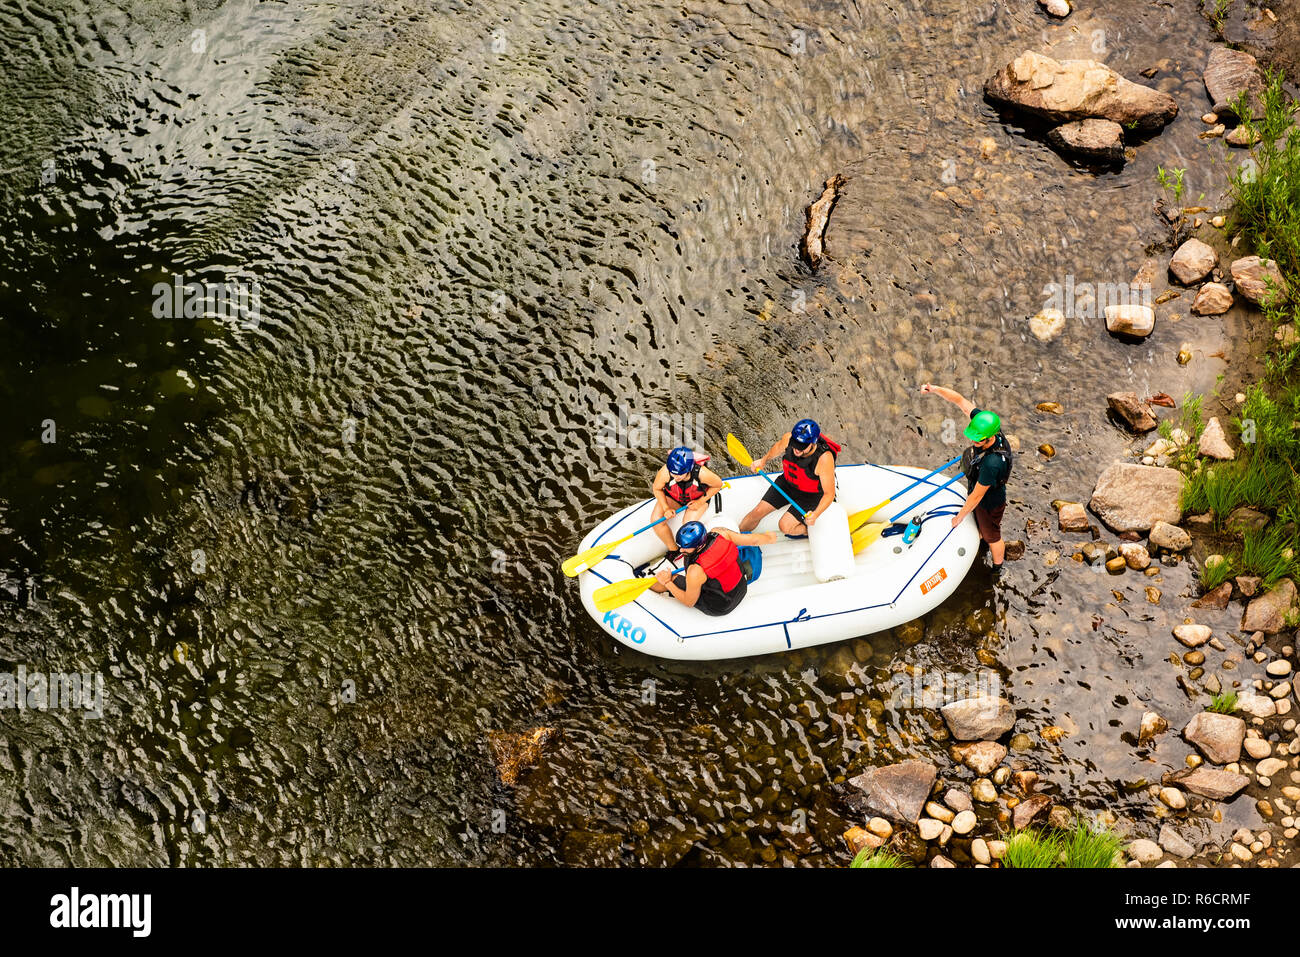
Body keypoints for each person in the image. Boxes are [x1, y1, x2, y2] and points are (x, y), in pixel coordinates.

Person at [919, 384, 1013, 574]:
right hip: (980, 489)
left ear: (991, 437)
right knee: (981, 527)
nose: (973, 442)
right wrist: (935, 389)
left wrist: (959, 518)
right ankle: (979, 534)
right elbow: (960, 401)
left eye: (978, 440)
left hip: (990, 501)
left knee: (992, 535)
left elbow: (977, 496)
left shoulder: (992, 463)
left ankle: (997, 568)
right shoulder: (987, 424)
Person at [650, 521, 777, 616]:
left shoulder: (696, 571)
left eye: (685, 548)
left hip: (720, 606)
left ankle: (649, 593)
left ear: (699, 546)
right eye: (680, 545)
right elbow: (753, 541)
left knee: (673, 579)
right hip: (742, 589)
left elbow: (689, 602)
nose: (681, 550)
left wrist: (667, 581)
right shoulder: (721, 533)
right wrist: (770, 538)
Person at [738, 418, 839, 536]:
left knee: (784, 526)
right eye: (795, 444)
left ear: (813, 443)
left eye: (802, 446)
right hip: (787, 484)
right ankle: (737, 538)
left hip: (810, 496)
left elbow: (829, 494)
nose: (797, 449)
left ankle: (808, 532)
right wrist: (763, 461)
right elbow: (777, 448)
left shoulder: (824, 459)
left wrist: (815, 514)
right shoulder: (788, 438)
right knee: (757, 512)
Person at [649, 447, 724, 553]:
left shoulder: (702, 474)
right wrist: (666, 508)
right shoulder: (665, 472)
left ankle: (693, 550)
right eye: (673, 473)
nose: (675, 477)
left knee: (688, 525)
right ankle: (674, 550)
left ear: (689, 469)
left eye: (679, 474)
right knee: (656, 521)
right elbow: (656, 489)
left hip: (697, 499)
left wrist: (700, 502)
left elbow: (718, 485)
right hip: (673, 498)